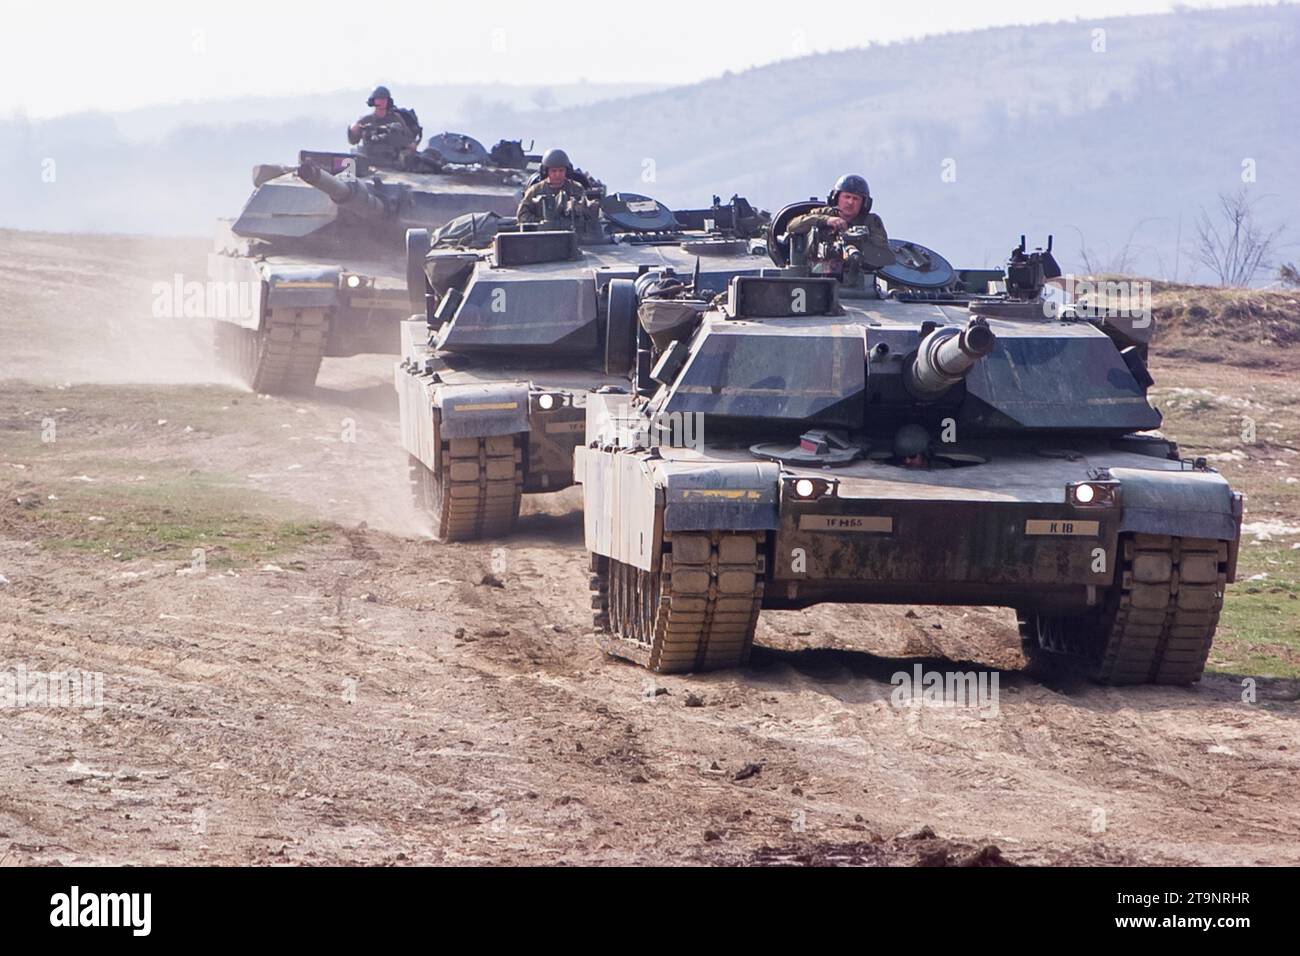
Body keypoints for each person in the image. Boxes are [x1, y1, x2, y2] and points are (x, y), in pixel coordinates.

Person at [785, 174, 890, 275]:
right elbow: (792, 226)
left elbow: (882, 255)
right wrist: (826, 220)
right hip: (816, 273)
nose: (850, 202)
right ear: (836, 198)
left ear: (864, 203)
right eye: (847, 197)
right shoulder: (823, 213)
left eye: (855, 198)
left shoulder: (871, 222)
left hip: (857, 276)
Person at [516, 148, 599, 224]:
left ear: (566, 171)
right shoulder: (535, 190)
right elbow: (522, 215)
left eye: (561, 170)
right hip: (542, 235)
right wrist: (541, 223)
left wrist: (580, 210)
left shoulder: (576, 188)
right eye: (554, 171)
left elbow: (589, 216)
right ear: (546, 171)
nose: (558, 174)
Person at [347, 86, 418, 166]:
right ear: (373, 101)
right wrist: (353, 130)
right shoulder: (366, 120)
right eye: (379, 99)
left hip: (392, 163)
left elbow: (410, 141)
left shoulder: (396, 119)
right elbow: (353, 141)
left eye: (384, 99)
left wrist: (393, 136)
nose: (382, 102)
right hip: (369, 162)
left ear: (388, 101)